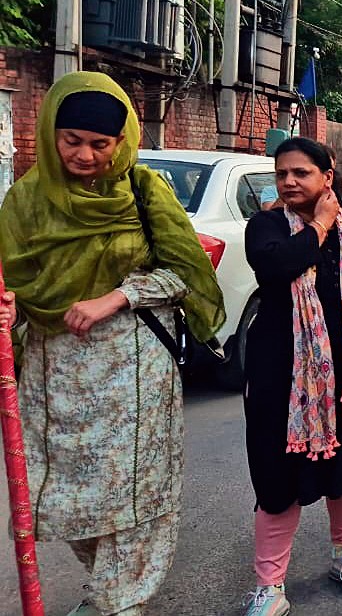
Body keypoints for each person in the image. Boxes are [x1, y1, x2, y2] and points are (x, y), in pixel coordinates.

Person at [0, 72, 225, 615]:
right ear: (53, 133)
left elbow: (188, 277)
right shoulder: (25, 202)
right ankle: (108, 591)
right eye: (71, 140)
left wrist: (118, 296)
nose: (84, 155)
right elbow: (15, 285)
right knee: (61, 497)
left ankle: (119, 602)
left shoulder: (145, 192)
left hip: (134, 371)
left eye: (100, 144)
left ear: (122, 142)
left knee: (135, 496)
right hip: (52, 376)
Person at [240, 138, 342, 615]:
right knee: (278, 477)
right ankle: (269, 585)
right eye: (283, 174)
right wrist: (318, 224)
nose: (290, 182)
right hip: (284, 379)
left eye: (301, 173)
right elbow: (278, 267)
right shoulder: (267, 226)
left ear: (327, 176)